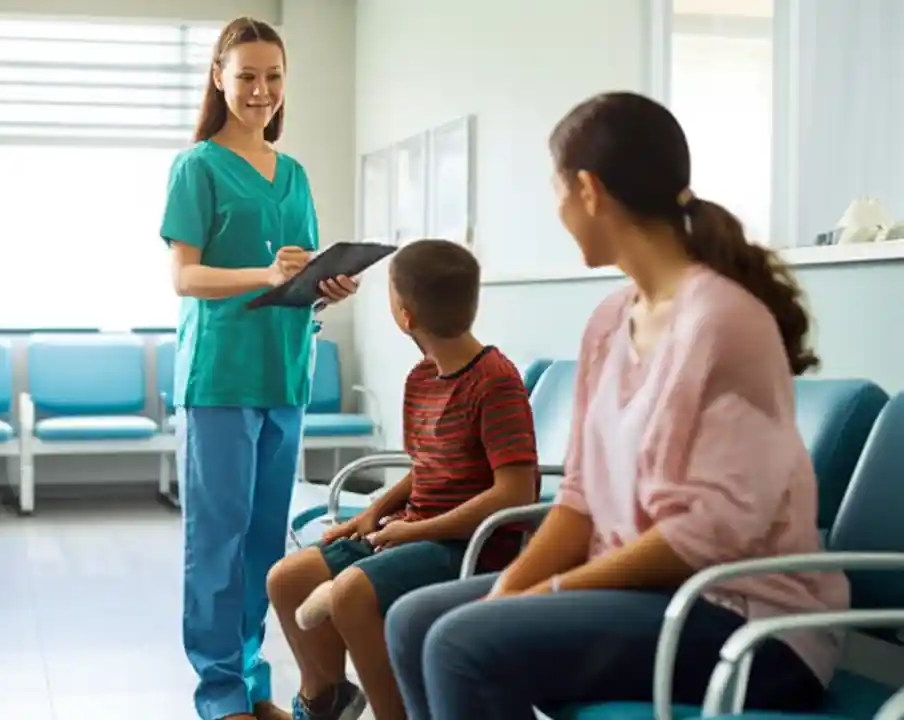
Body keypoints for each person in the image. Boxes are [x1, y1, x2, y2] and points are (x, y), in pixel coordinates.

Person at [383, 91, 851, 720]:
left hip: (742, 618)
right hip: (645, 595)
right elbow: (578, 499)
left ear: (589, 190)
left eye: (558, 193)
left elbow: (706, 536)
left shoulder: (724, 322)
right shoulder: (609, 322)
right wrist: (512, 589)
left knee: (461, 643)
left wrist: (550, 591)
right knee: (415, 621)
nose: (559, 211)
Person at [160, 17, 359, 720]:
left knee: (264, 549)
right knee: (216, 543)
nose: (261, 91)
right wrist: (262, 272)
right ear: (219, 77)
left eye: (273, 77)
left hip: (285, 373)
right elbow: (184, 277)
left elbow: (295, 276)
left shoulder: (295, 173)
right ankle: (219, 698)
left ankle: (253, 685)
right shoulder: (197, 167)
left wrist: (328, 284)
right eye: (246, 76)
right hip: (219, 378)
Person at [266, 239, 540, 720]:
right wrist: (373, 511)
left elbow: (515, 493)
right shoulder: (421, 378)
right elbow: (427, 468)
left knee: (351, 593)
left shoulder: (496, 380)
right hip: (409, 531)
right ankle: (325, 702)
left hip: (469, 548)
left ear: (406, 316)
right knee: (288, 579)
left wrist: (414, 530)